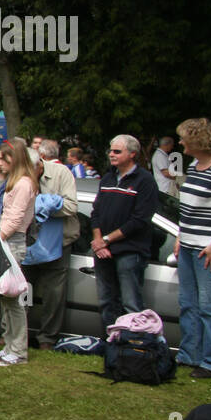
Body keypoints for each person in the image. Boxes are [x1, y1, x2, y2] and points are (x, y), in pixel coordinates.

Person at [172, 118, 211, 378]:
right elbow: (188, 207)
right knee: (188, 303)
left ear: (197, 140)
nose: (180, 142)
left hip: (208, 250)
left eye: (184, 138)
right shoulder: (195, 165)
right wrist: (180, 235)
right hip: (188, 245)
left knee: (210, 306)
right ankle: (189, 354)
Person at [89, 134, 159, 330]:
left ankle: (133, 346)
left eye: (117, 151)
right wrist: (98, 241)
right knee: (106, 301)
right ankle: (111, 344)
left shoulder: (145, 181)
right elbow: (95, 212)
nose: (111, 154)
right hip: (102, 250)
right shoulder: (108, 177)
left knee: (131, 304)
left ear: (132, 154)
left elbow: (139, 220)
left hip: (130, 250)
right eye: (110, 150)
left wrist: (106, 239)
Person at [0, 140, 38, 366]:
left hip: (11, 242)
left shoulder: (24, 184)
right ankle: (9, 345)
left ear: (13, 159)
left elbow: (15, 218)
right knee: (5, 298)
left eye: (2, 158)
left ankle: (19, 350)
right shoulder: (12, 181)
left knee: (14, 300)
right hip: (4, 239)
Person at [22, 141, 79, 350]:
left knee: (53, 295)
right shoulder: (21, 172)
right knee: (23, 291)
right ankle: (17, 333)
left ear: (40, 165)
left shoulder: (61, 173)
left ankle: (47, 339)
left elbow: (72, 206)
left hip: (58, 244)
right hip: (28, 244)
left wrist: (42, 205)